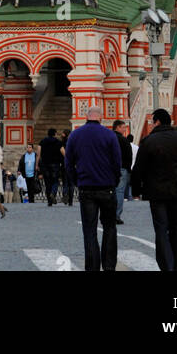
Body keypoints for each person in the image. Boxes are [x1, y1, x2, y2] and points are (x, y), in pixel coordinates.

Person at [131, 109, 177, 272]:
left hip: (156, 190)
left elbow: (138, 168)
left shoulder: (148, 141)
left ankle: (166, 264)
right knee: (176, 225)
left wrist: (136, 190)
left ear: (157, 121)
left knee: (161, 227)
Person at [65, 108, 121, 272]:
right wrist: (115, 180)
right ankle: (109, 265)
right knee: (110, 227)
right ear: (100, 118)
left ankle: (92, 267)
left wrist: (77, 180)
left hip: (86, 188)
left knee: (89, 230)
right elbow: (117, 162)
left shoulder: (75, 135)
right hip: (107, 187)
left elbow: (68, 163)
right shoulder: (109, 135)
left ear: (86, 117)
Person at [112, 120, 133, 224]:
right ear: (118, 127)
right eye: (123, 127)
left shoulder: (108, 138)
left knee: (109, 191)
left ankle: (107, 214)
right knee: (119, 192)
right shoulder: (123, 140)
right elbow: (129, 155)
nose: (125, 129)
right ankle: (116, 215)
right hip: (122, 168)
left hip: (109, 168)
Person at [38, 128, 63, 206]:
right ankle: (53, 193)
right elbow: (63, 152)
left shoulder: (42, 142)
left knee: (47, 183)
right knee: (55, 181)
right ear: (55, 134)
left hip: (45, 165)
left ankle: (49, 201)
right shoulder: (58, 142)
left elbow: (38, 154)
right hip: (55, 164)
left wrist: (36, 165)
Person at [18, 139, 39, 205]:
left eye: (30, 147)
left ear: (32, 148)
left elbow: (39, 164)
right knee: (28, 187)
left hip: (33, 174)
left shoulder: (35, 155)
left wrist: (40, 173)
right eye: (27, 147)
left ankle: (32, 199)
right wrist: (19, 170)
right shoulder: (24, 156)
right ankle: (30, 199)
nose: (28, 148)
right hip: (26, 174)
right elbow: (20, 164)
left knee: (32, 187)